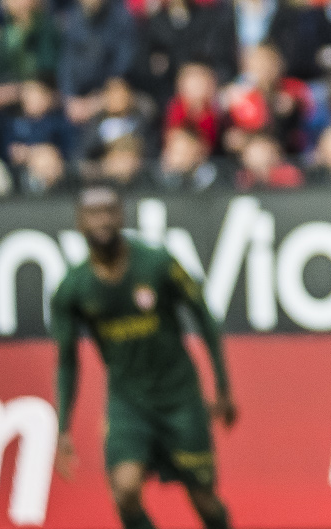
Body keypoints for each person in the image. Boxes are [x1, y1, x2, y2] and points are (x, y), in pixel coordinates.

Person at [51, 183, 237, 529]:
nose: (103, 220)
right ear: (80, 222)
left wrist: (223, 387)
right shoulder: (73, 288)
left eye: (109, 211)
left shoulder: (157, 263)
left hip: (180, 398)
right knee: (124, 490)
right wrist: (63, 425)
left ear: (121, 215)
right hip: (128, 403)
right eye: (93, 213)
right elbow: (66, 360)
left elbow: (205, 318)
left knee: (203, 498)